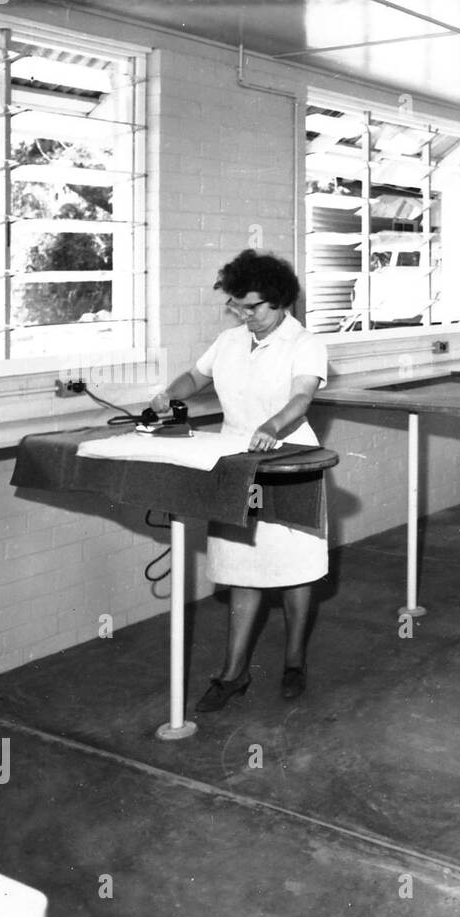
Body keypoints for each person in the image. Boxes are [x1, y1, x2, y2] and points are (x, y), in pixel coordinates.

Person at [150, 250, 328, 710]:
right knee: (241, 566)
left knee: (296, 569)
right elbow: (195, 375)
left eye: (254, 307)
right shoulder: (229, 341)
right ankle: (232, 674)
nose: (246, 316)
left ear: (281, 302)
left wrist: (272, 427)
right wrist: (169, 394)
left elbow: (302, 396)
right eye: (238, 306)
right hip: (235, 459)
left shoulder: (303, 342)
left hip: (289, 457)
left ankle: (293, 662)